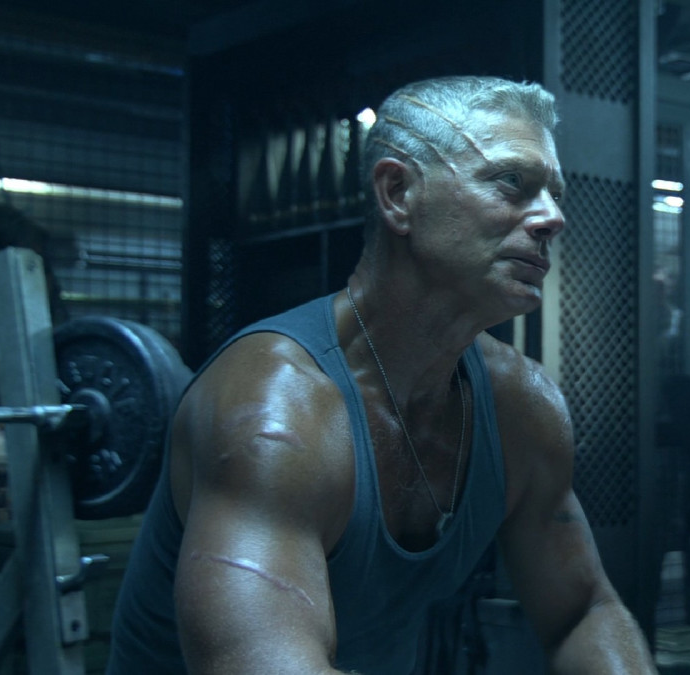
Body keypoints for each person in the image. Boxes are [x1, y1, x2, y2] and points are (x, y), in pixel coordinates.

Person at [107, 75, 657, 674]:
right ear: (398, 194)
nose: (553, 218)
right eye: (511, 183)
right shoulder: (278, 414)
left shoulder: (522, 407)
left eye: (554, 193)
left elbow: (581, 612)